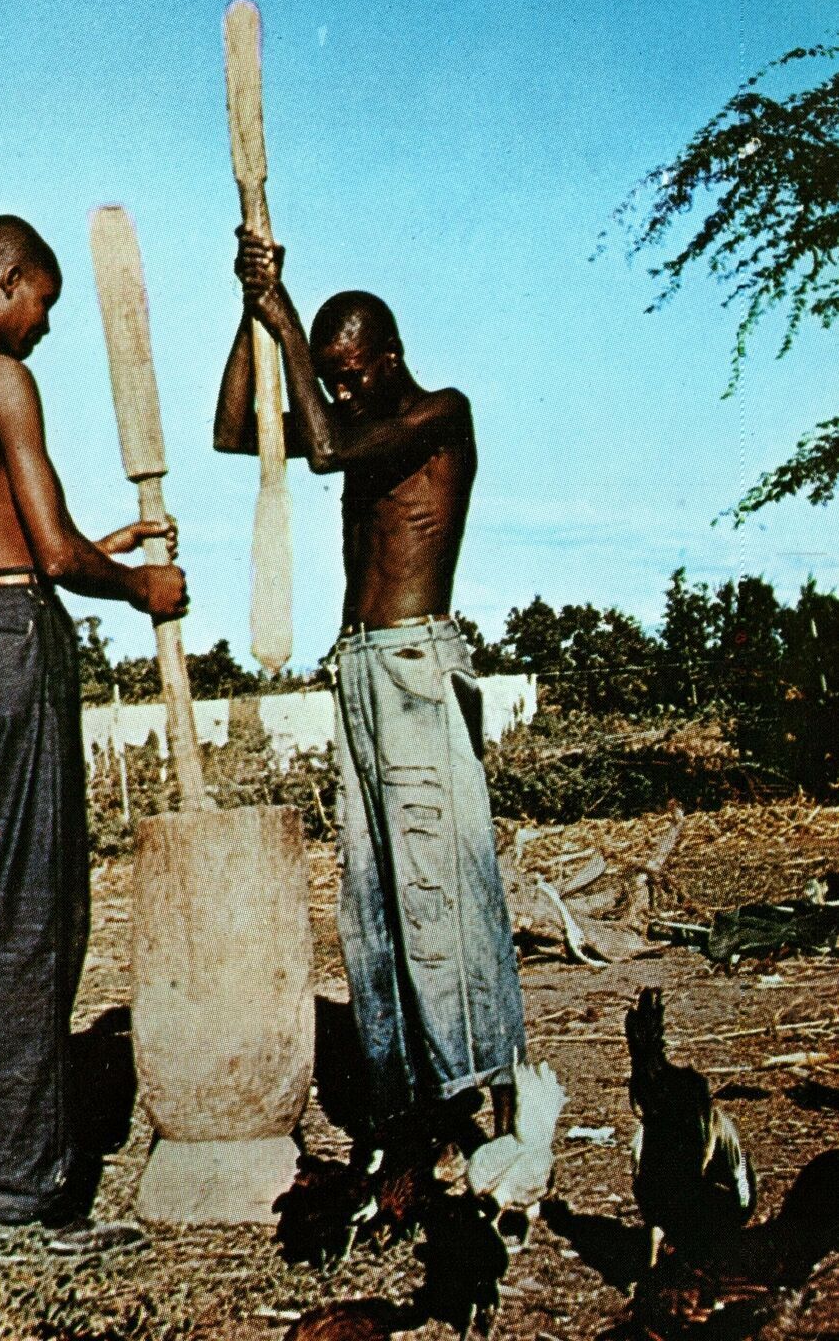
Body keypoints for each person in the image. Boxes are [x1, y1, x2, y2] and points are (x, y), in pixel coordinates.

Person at [0, 215, 188, 1252]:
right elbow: (48, 559)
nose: (42, 328)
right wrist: (142, 584)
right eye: (39, 304)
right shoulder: (0, 383)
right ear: (1, 278)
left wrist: (110, 541)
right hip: (8, 645)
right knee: (27, 918)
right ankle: (23, 1198)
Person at [214, 229, 526, 1158]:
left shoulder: (437, 414)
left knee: (445, 885)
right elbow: (236, 432)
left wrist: (286, 318)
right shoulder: (349, 421)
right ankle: (407, 1103)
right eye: (331, 377)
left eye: (352, 373)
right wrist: (254, 317)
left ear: (388, 359)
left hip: (416, 666)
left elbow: (319, 450)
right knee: (374, 893)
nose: (342, 391)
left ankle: (499, 1099)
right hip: (354, 669)